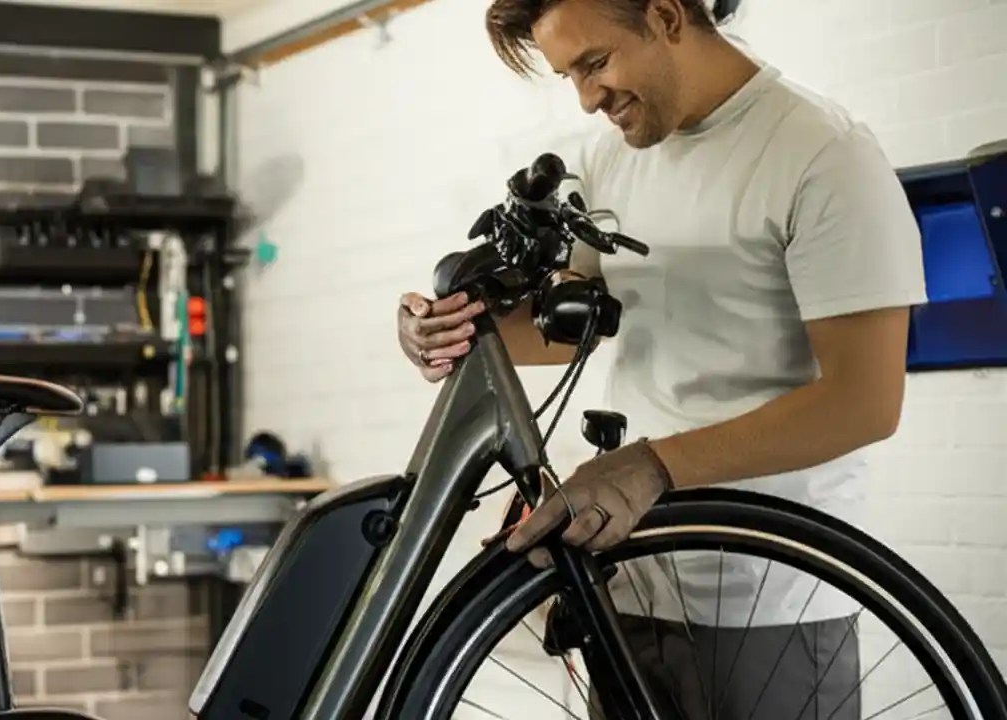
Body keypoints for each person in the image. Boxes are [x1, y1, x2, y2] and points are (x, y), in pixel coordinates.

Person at [396, 0, 928, 717]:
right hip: (625, 577)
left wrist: (650, 466)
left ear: (668, 14)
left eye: (595, 63)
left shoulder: (821, 153)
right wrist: (454, 331)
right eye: (568, 77)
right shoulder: (606, 158)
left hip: (767, 598)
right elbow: (567, 324)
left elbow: (862, 402)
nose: (587, 99)